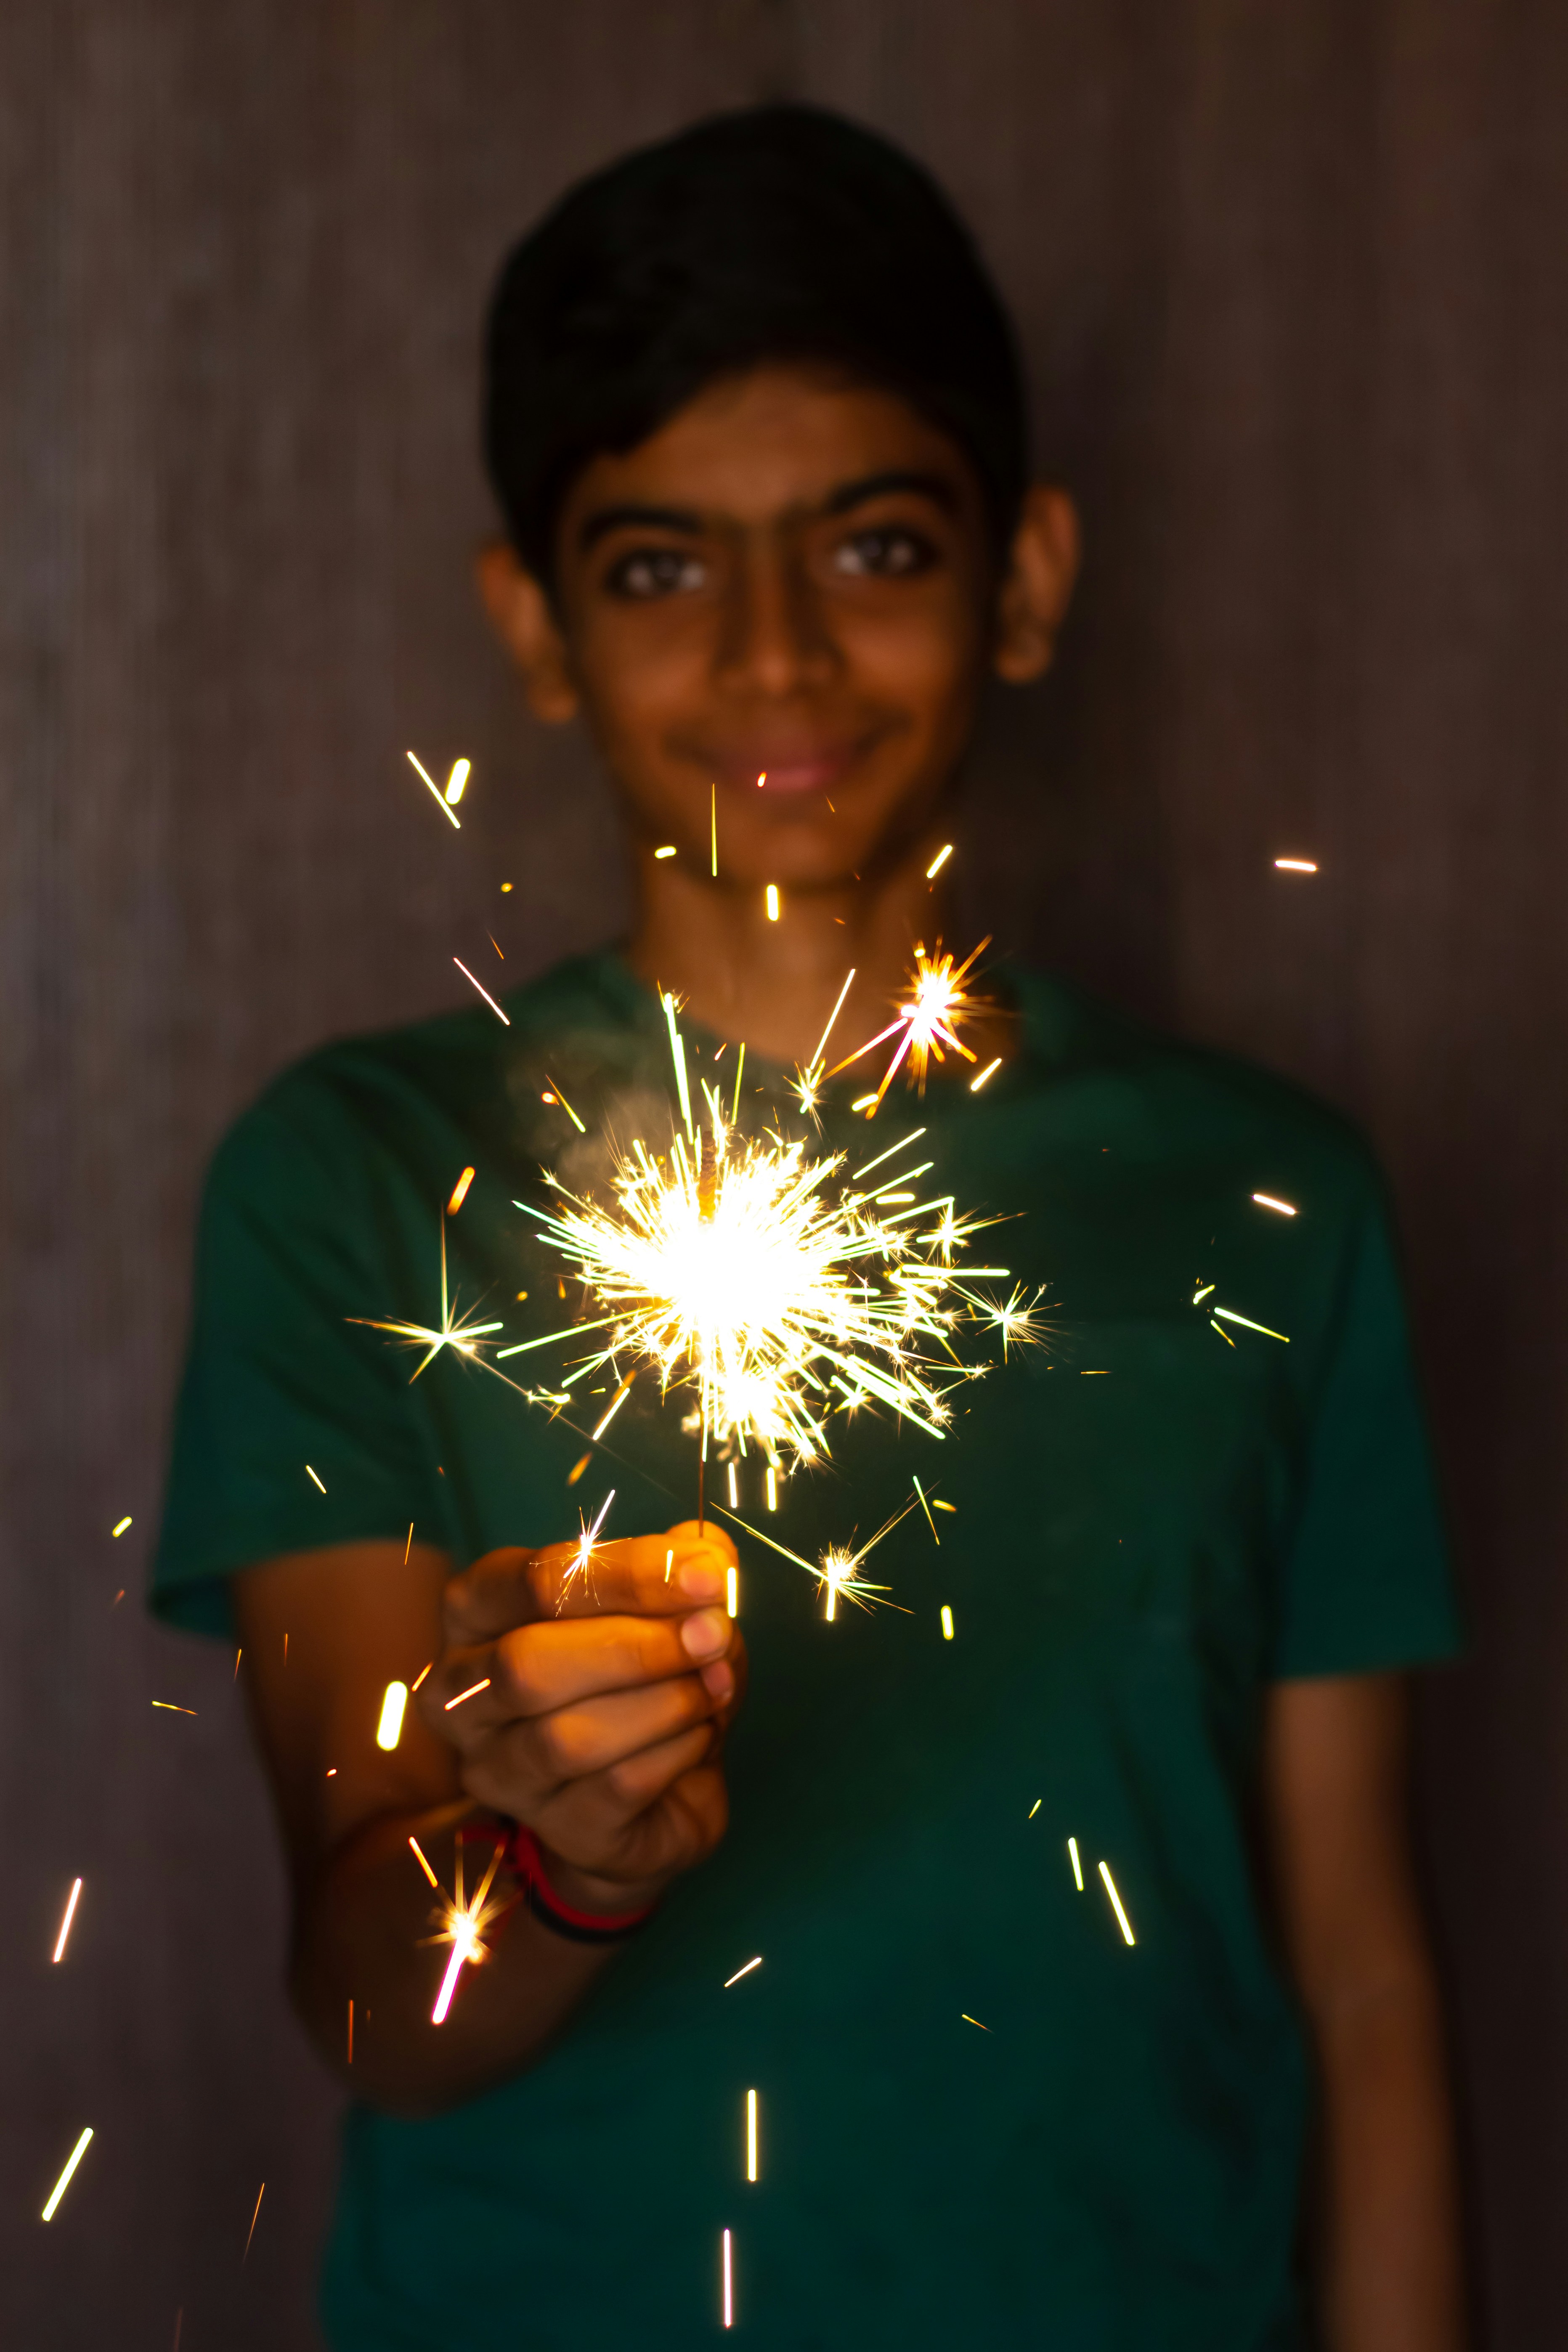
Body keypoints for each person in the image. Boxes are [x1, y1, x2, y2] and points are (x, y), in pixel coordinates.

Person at [152, 105, 1466, 2352]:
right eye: (662, 567)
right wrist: (559, 1857)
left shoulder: (1271, 1199)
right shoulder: (363, 1179)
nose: (775, 656)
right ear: (536, 625)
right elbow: (379, 2009)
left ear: (1025, 578)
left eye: (871, 546)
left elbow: (1359, 1969)